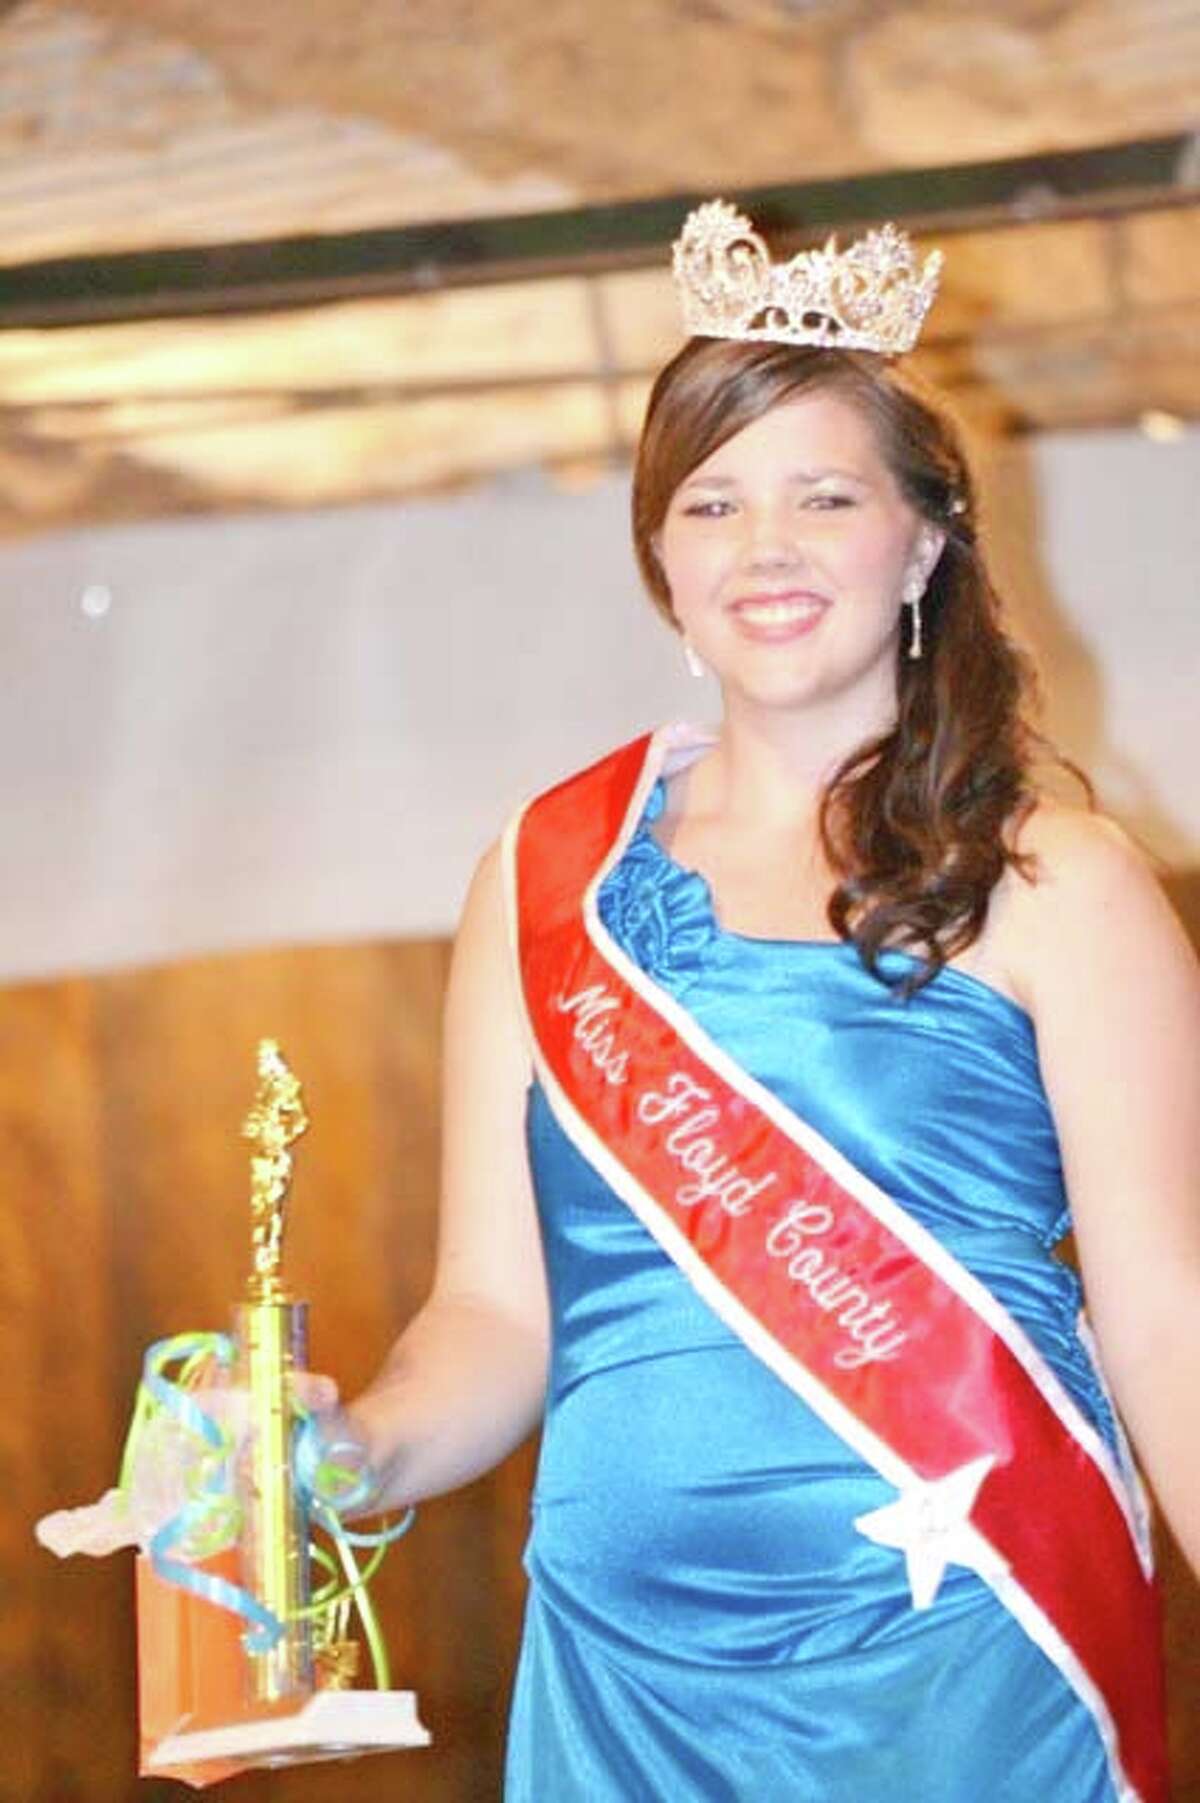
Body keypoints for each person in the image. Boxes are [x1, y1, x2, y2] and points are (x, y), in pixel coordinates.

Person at [328, 204, 1200, 1801]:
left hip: (968, 1658)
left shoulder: (1062, 883)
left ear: (925, 539)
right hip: (625, 1678)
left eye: (823, 495)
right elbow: (498, 1313)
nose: (764, 548)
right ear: (661, 555)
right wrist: (356, 1451)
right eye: (713, 502)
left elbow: (1168, 1322)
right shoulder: (545, 881)